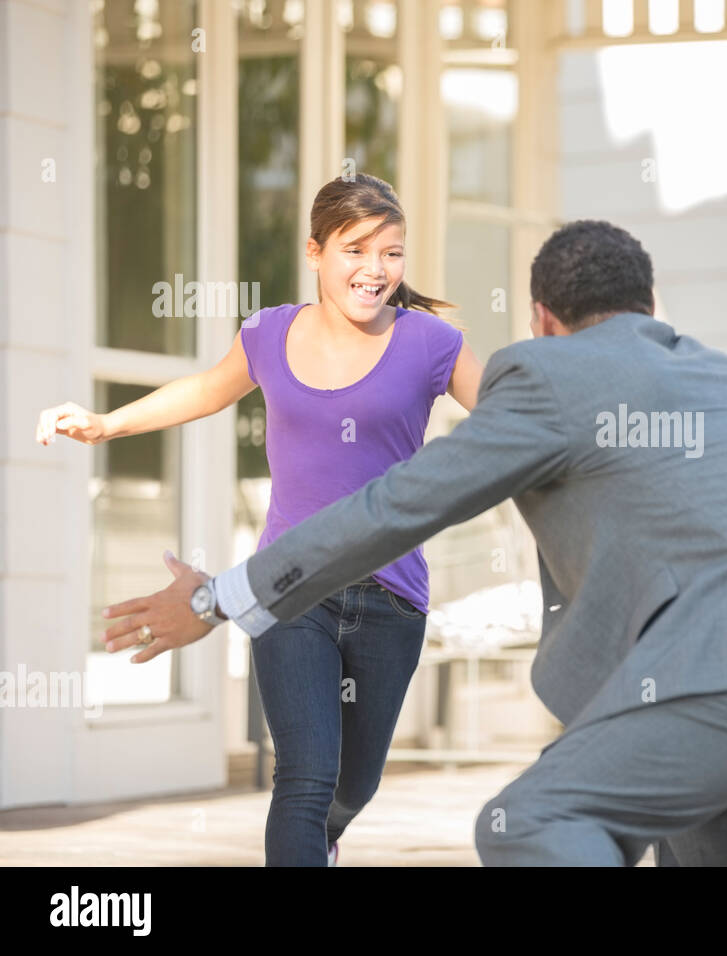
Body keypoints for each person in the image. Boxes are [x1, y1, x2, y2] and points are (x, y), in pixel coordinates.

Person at [100, 219, 727, 866]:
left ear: (540, 320)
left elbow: (395, 507)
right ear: (652, 306)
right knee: (709, 815)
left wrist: (219, 597)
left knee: (529, 823)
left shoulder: (547, 374)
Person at [40, 173, 481, 866]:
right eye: (356, 249)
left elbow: (515, 421)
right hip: (288, 589)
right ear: (315, 252)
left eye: (391, 253)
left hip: (391, 597)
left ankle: (321, 848)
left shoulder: (430, 342)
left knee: (352, 788)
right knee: (304, 780)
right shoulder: (270, 333)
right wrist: (104, 425)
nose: (375, 269)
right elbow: (204, 391)